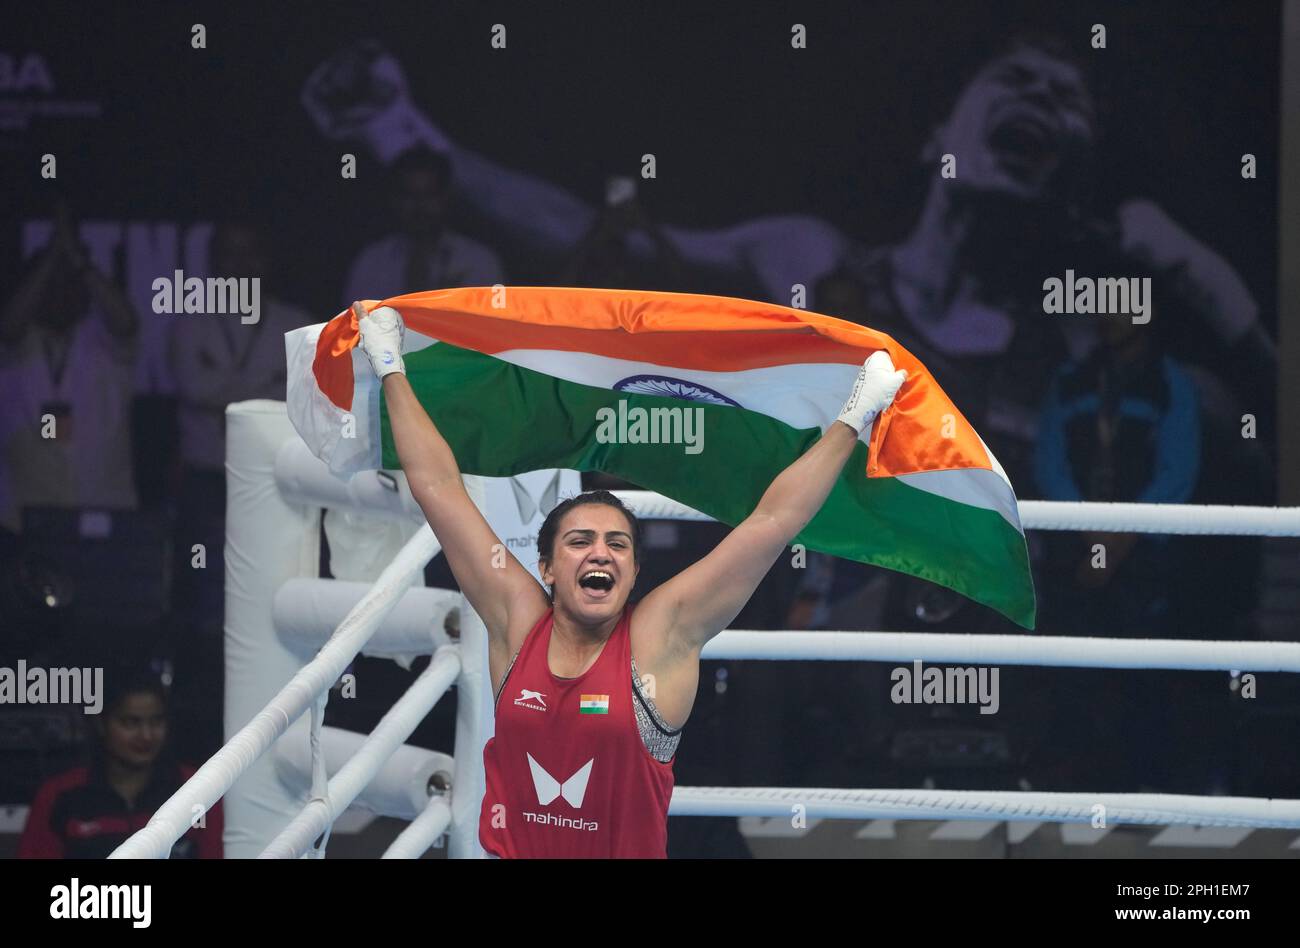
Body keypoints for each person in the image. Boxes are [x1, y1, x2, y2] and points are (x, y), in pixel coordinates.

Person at [352, 301, 906, 857]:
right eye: (579, 541)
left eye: (617, 544)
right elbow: (439, 487)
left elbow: (772, 521)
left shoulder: (660, 636)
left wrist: (853, 417)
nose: (601, 553)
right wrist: (390, 366)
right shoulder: (516, 619)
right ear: (546, 567)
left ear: (635, 571)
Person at [0, 200, 140, 533]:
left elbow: (126, 321)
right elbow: (7, 328)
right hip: (23, 513)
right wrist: (52, 256)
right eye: (50, 284)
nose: (59, 292)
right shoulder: (15, 346)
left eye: (70, 282)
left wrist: (78, 261)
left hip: (103, 507)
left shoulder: (106, 343)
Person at [18, 668, 223, 858]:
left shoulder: (197, 788)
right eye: (131, 722)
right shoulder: (60, 795)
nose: (146, 735)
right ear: (100, 723)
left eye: (156, 721)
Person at [343, 147, 504, 305]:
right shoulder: (371, 263)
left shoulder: (478, 262)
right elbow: (353, 326)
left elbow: (493, 326)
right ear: (395, 200)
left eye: (429, 195)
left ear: (445, 198)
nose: (419, 207)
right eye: (410, 195)